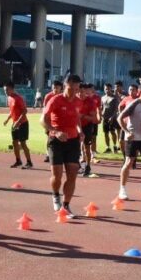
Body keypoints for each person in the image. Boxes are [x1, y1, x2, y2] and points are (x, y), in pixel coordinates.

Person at [42, 74, 83, 217]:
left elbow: (77, 118)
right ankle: (55, 196)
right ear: (67, 84)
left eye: (78, 86)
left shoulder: (78, 102)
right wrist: (55, 131)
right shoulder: (55, 100)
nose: (76, 90)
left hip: (73, 141)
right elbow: (43, 120)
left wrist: (80, 131)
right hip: (56, 140)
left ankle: (66, 206)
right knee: (57, 175)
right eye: (74, 86)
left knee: (72, 174)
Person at [3, 81, 33, 168]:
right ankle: (18, 161)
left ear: (12, 89)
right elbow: (12, 111)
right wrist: (7, 119)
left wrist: (17, 122)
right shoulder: (9, 98)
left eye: (7, 90)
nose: (6, 92)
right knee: (14, 142)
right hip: (14, 123)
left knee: (23, 143)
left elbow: (25, 111)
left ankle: (29, 162)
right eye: (4, 90)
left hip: (23, 123)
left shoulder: (18, 98)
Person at [78, 83, 101, 176]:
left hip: (87, 125)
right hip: (75, 125)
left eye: (82, 92)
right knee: (75, 146)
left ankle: (87, 166)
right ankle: (79, 165)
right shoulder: (74, 100)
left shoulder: (90, 102)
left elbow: (92, 118)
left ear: (85, 92)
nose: (80, 94)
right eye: (78, 92)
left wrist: (82, 116)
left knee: (86, 146)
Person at [41, 79, 63, 163]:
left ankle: (60, 154)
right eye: (54, 88)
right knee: (49, 137)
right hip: (49, 120)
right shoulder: (48, 96)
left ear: (61, 88)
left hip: (59, 121)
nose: (55, 89)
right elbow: (45, 109)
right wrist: (45, 120)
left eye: (57, 88)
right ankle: (48, 154)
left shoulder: (62, 97)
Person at [101, 84, 120, 154]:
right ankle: (107, 147)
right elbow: (101, 107)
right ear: (104, 89)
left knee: (112, 132)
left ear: (111, 89)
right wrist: (100, 114)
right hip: (105, 118)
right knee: (105, 133)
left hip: (112, 118)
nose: (107, 90)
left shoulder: (114, 98)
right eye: (106, 89)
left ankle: (115, 146)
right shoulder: (102, 98)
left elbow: (116, 109)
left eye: (108, 89)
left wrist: (112, 117)